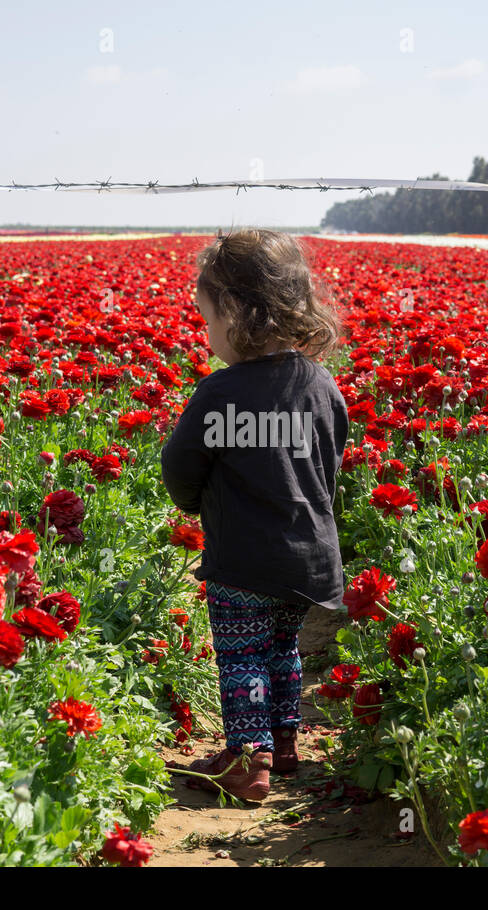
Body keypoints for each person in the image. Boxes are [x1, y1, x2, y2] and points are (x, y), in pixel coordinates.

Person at [160, 228, 348, 803]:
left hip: (242, 559)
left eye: (209, 318)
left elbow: (180, 466)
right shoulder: (320, 385)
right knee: (283, 649)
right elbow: (330, 461)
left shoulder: (219, 394)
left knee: (242, 655)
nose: (208, 332)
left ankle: (248, 760)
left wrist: (194, 502)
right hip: (309, 558)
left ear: (239, 313)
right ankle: (284, 743)